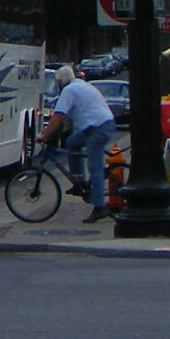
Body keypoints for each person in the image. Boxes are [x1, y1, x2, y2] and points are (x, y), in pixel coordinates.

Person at [42, 64, 117, 223]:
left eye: (58, 83)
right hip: (101, 123)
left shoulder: (68, 91)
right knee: (72, 143)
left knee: (94, 167)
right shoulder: (82, 84)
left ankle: (99, 207)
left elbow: (58, 116)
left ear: (61, 82)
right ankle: (79, 181)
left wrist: (44, 135)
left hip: (97, 128)